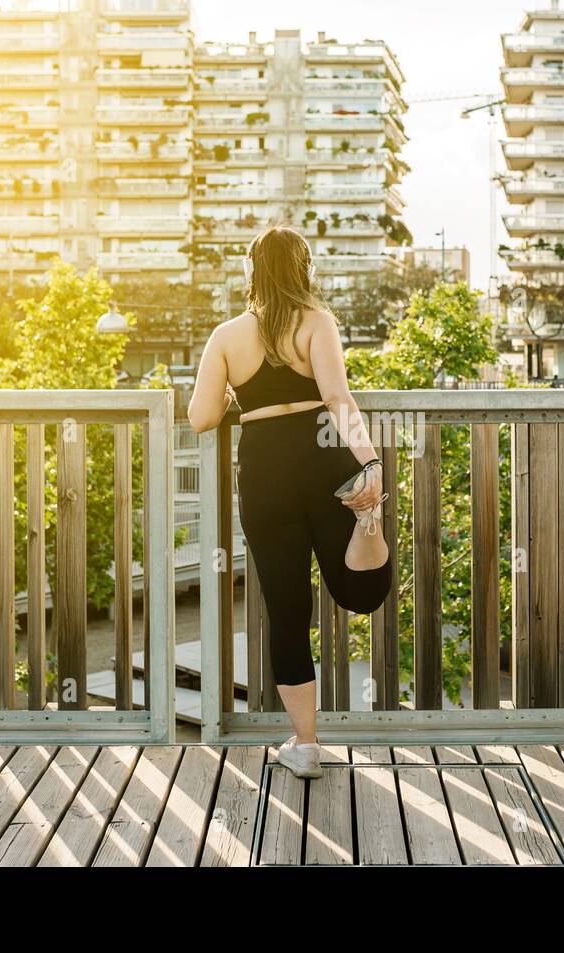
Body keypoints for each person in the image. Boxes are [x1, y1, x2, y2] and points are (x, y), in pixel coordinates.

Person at [188, 225, 392, 779]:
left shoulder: (227, 336)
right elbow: (336, 397)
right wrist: (370, 462)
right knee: (359, 593)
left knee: (287, 608)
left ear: (253, 272)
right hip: (323, 457)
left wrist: (236, 392)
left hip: (264, 472)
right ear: (302, 270)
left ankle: (305, 746)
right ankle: (367, 524)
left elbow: (202, 417)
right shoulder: (316, 323)